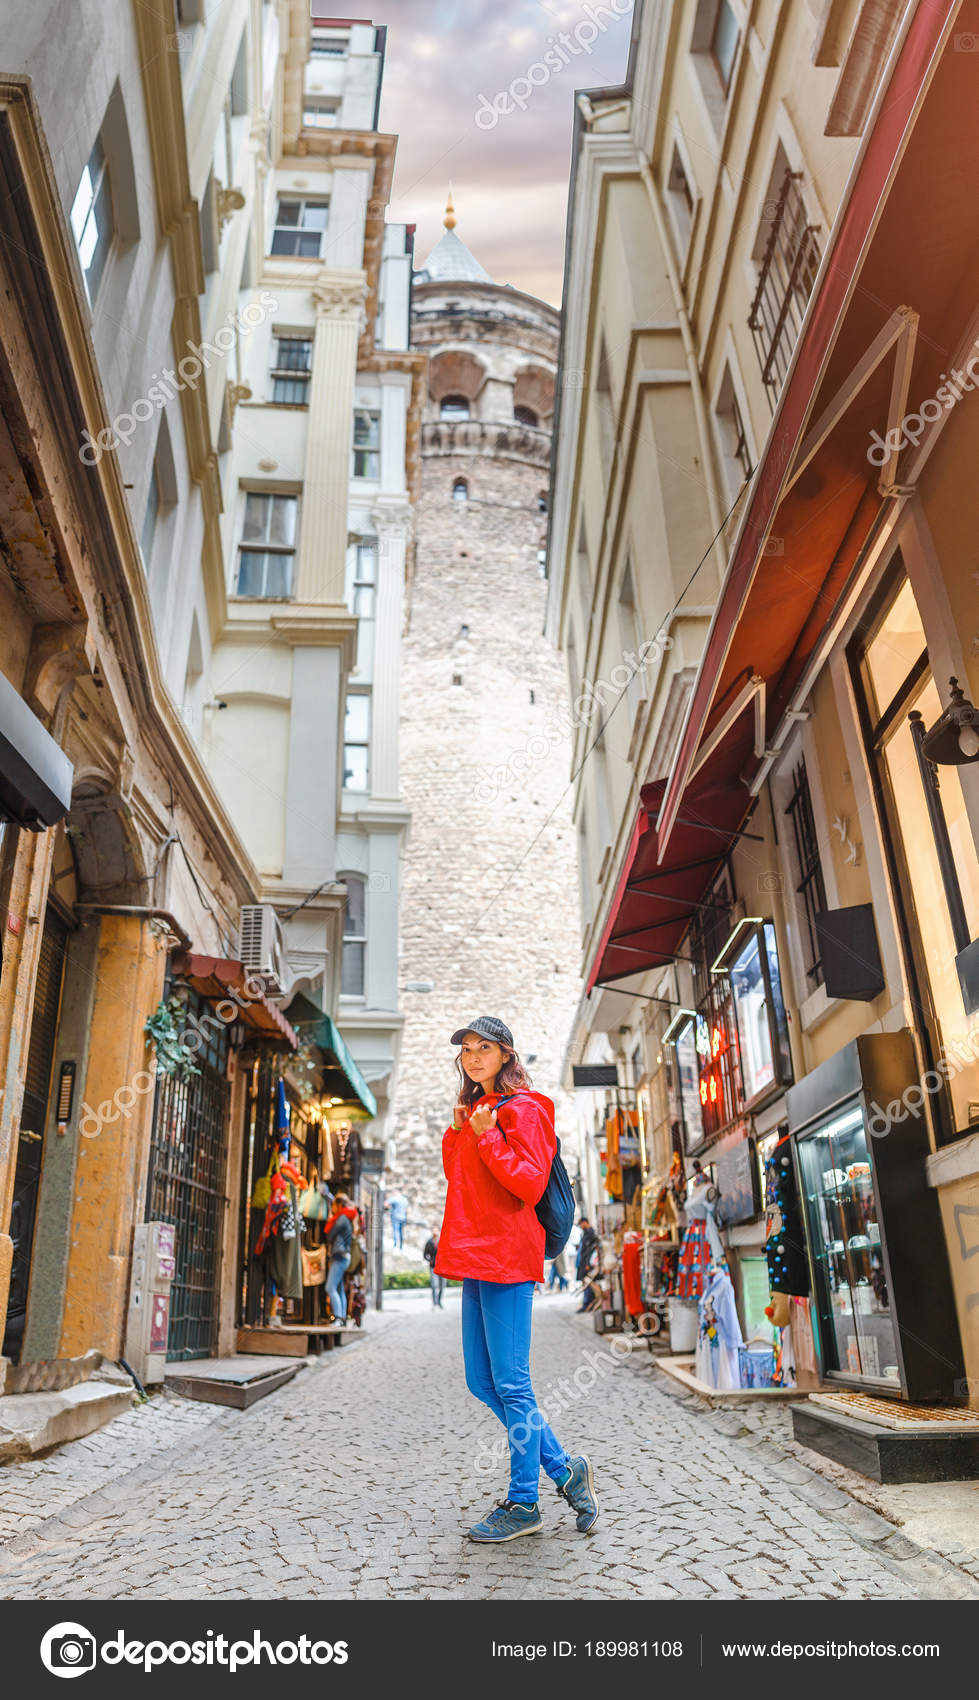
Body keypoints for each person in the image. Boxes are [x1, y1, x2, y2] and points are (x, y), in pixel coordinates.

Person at [436, 1014, 600, 1543]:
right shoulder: (479, 1112)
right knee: (482, 1381)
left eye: (485, 1047)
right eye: (466, 1049)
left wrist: (486, 1138)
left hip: (507, 1252)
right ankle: (564, 1468)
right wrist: (461, 1131)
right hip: (473, 1253)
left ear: (507, 1054)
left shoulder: (526, 1108)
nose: (474, 1055)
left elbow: (528, 1184)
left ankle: (524, 1502)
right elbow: (461, 1181)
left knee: (512, 1382)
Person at [325, 1191, 355, 1324]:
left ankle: (337, 1317)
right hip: (344, 1256)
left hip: (340, 1256)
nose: (332, 1207)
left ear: (338, 1204)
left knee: (330, 1287)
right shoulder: (346, 1217)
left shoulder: (341, 1218)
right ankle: (342, 1318)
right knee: (339, 1288)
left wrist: (330, 1220)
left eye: (333, 1205)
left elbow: (330, 1235)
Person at [575, 1217, 601, 1312]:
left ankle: (587, 1304)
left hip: (587, 1263)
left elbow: (589, 1251)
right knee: (585, 1282)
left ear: (585, 1222)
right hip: (583, 1262)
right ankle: (586, 1304)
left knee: (588, 1283)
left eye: (581, 1224)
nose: (581, 1226)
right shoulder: (585, 1233)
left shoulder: (591, 1234)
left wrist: (587, 1264)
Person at [424, 1228, 445, 1308]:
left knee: (442, 1285)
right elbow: (425, 1254)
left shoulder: (442, 1241)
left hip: (442, 1267)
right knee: (434, 1285)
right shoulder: (429, 1242)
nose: (435, 1231)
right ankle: (434, 1303)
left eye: (436, 1230)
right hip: (433, 1267)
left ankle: (439, 1301)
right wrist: (430, 1260)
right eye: (433, 1230)